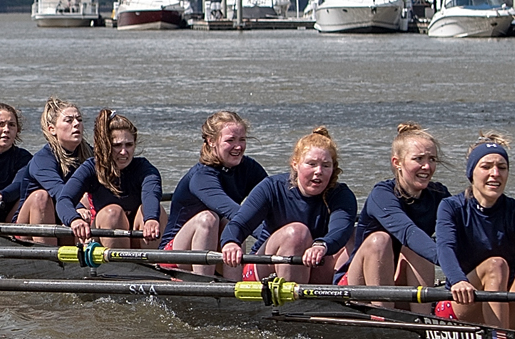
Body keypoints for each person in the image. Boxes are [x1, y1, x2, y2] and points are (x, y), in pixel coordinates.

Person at [434, 132, 515, 329]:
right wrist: (457, 280)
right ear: (471, 173)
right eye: (486, 167)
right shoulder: (451, 207)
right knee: (496, 265)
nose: (495, 173)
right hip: (461, 302)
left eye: (502, 167)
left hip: (502, 303)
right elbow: (444, 248)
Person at [219, 126, 358, 284]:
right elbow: (238, 224)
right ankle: (289, 304)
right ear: (295, 164)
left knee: (355, 234)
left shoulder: (341, 195)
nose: (319, 171)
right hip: (265, 269)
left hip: (315, 264)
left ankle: (339, 299)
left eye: (326, 165)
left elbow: (340, 231)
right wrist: (230, 242)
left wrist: (321, 245)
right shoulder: (272, 187)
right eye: (311, 164)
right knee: (297, 233)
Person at [341, 123, 449, 308]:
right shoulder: (382, 195)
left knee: (417, 248)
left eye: (432, 159)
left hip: (397, 280)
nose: (427, 166)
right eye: (418, 159)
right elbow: (408, 233)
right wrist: (448, 262)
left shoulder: (438, 194)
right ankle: (382, 316)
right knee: (381, 240)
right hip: (359, 284)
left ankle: (422, 323)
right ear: (397, 162)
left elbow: (461, 231)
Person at [159, 111, 268, 277]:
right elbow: (234, 211)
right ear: (211, 141)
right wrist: (266, 237)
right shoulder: (202, 176)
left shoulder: (249, 168)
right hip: (173, 256)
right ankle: (204, 283)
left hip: (214, 248)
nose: (238, 147)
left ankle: (234, 287)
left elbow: (273, 203)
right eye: (230, 140)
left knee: (229, 222)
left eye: (242, 140)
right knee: (210, 218)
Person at [56, 109, 164, 248]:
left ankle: (150, 264)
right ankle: (119, 266)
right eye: (117, 146)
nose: (124, 152)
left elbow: (151, 195)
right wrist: (74, 220)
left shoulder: (145, 168)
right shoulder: (90, 168)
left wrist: (151, 219)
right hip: (102, 235)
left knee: (157, 211)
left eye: (129, 145)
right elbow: (64, 200)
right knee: (113, 212)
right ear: (105, 146)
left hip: (138, 236)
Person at [18, 98, 92, 243]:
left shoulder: (91, 154)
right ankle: (46, 258)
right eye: (69, 121)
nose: (76, 124)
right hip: (31, 224)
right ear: (52, 129)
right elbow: (60, 191)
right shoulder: (42, 159)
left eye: (79, 119)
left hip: (66, 220)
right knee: (41, 196)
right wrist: (79, 207)